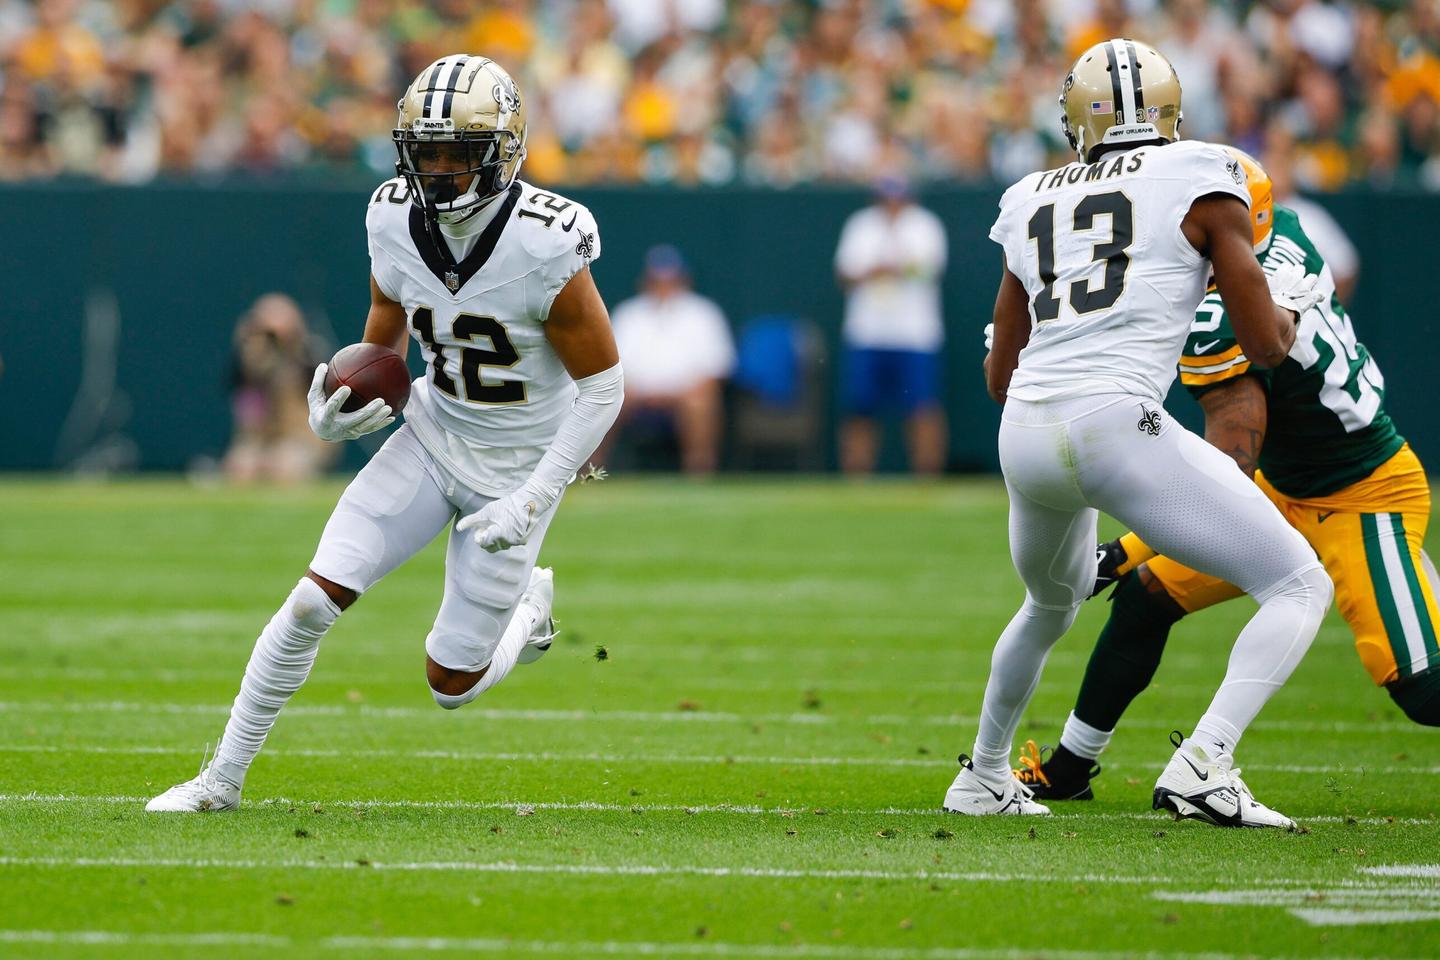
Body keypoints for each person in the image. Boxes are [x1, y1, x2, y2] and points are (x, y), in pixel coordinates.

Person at [147, 55, 624, 812]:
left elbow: (604, 386)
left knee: (451, 685)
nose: (434, 172)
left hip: (518, 465)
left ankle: (530, 613)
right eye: (423, 152)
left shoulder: (546, 240)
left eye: (455, 155)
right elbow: (384, 349)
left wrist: (536, 498)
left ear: (501, 154)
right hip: (434, 437)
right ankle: (220, 781)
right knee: (310, 602)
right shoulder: (390, 215)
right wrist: (338, 410)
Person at [945, 40, 1333, 828]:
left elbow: (998, 376)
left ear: (1075, 117)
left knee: (1048, 606)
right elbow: (1265, 346)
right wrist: (1295, 300)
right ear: (1170, 109)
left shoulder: (1028, 195)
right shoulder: (1204, 172)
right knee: (1300, 585)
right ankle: (1204, 763)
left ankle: (984, 775)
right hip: (1117, 425)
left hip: (1025, 433)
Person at [1014, 150, 1439, 803]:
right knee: (1145, 600)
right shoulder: (1285, 231)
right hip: (1287, 483)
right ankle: (1070, 767)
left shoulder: (1223, 317)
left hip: (1364, 491)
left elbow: (1222, 474)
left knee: (1421, 684)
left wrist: (1127, 545)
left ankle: (1204, 762)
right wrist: (1130, 556)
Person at [834, 176, 948, 475]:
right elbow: (845, 274)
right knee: (860, 408)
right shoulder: (860, 225)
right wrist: (873, 271)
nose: (892, 204)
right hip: (867, 332)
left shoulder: (925, 225)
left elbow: (930, 269)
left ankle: (927, 476)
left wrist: (895, 268)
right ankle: (856, 475)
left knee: (922, 407)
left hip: (915, 334)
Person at [607, 245, 734, 474]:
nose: (664, 287)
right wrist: (638, 391)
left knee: (701, 401)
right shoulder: (628, 313)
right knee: (603, 399)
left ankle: (700, 473)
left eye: (670, 280)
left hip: (685, 394)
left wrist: (677, 393)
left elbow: (716, 370)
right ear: (646, 281)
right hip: (634, 394)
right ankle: (589, 474)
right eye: (657, 280)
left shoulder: (704, 313)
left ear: (683, 280)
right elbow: (612, 365)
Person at [222, 293, 337, 484]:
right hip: (261, 438)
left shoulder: (309, 357)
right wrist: (252, 347)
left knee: (283, 465)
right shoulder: (249, 361)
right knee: (242, 465)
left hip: (302, 438)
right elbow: (245, 404)